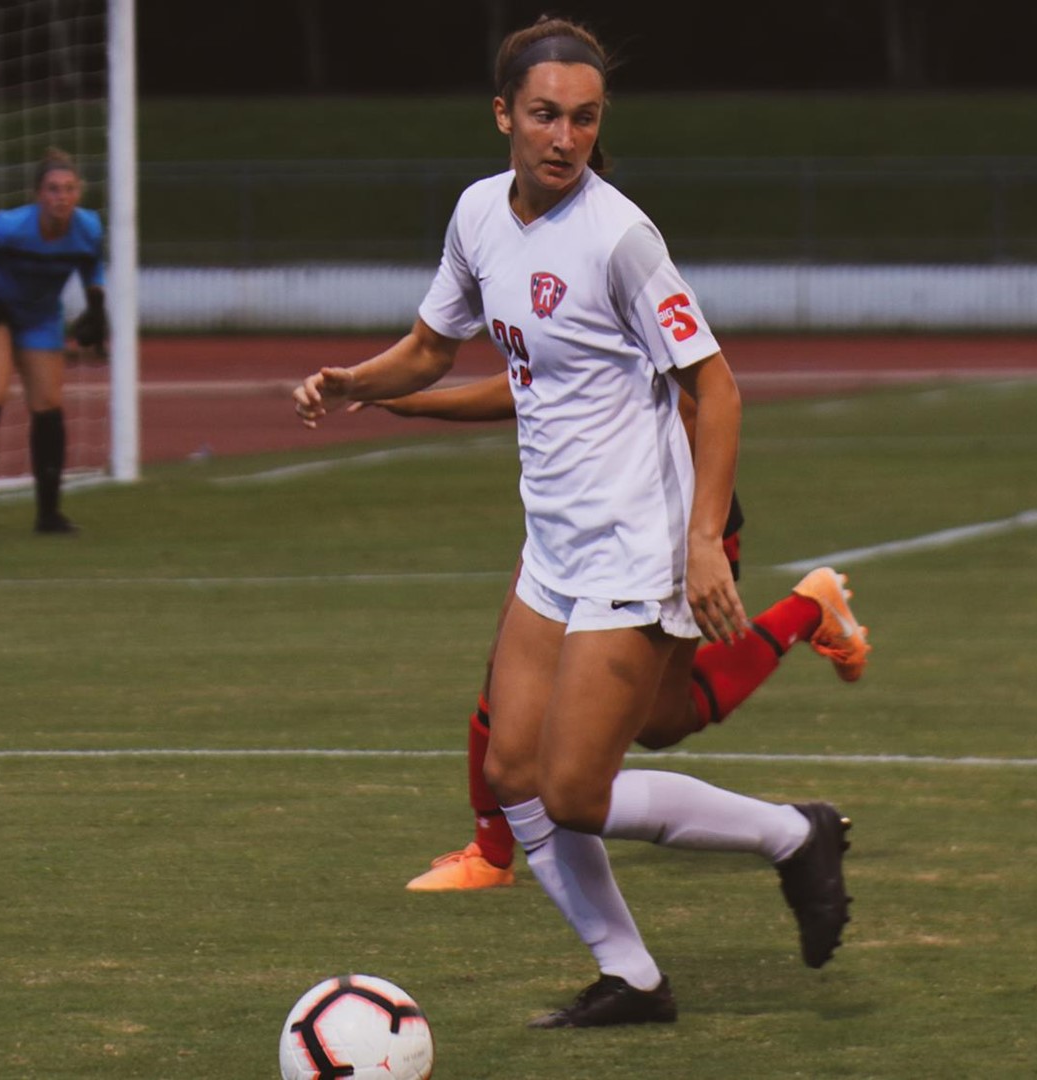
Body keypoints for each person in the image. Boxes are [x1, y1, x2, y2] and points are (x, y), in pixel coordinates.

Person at [293, 17, 870, 1028]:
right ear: (504, 115)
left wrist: (701, 545)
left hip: (635, 545)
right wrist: (359, 385)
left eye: (585, 118)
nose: (564, 137)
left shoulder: (618, 235)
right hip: (552, 544)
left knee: (572, 792)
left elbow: (717, 387)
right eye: (546, 115)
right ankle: (634, 981)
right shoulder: (478, 216)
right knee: (512, 772)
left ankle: (794, 834)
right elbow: (436, 348)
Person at [357, 375, 871, 893]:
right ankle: (490, 853)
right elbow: (529, 381)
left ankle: (807, 611)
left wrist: (700, 535)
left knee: (661, 721)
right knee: (508, 671)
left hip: (657, 531)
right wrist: (409, 395)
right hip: (572, 522)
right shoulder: (527, 297)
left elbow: (703, 399)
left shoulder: (629, 294)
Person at [0, 147, 109, 538]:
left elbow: (91, 262)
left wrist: (96, 303)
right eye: (52, 189)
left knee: (48, 405)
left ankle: (48, 514)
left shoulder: (89, 228)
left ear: (79, 193)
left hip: (40, 317)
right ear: (37, 194)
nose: (61, 197)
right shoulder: (9, 227)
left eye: (69, 188)